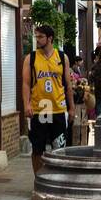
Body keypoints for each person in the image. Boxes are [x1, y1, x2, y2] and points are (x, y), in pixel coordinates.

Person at [22, 25, 76, 174]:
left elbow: (68, 85)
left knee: (59, 148)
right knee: (37, 149)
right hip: (38, 110)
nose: (37, 40)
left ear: (50, 38)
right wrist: (26, 104)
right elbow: (26, 84)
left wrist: (71, 107)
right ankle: (38, 179)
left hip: (58, 109)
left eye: (40, 37)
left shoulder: (61, 57)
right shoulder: (30, 58)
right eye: (36, 37)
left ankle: (58, 179)